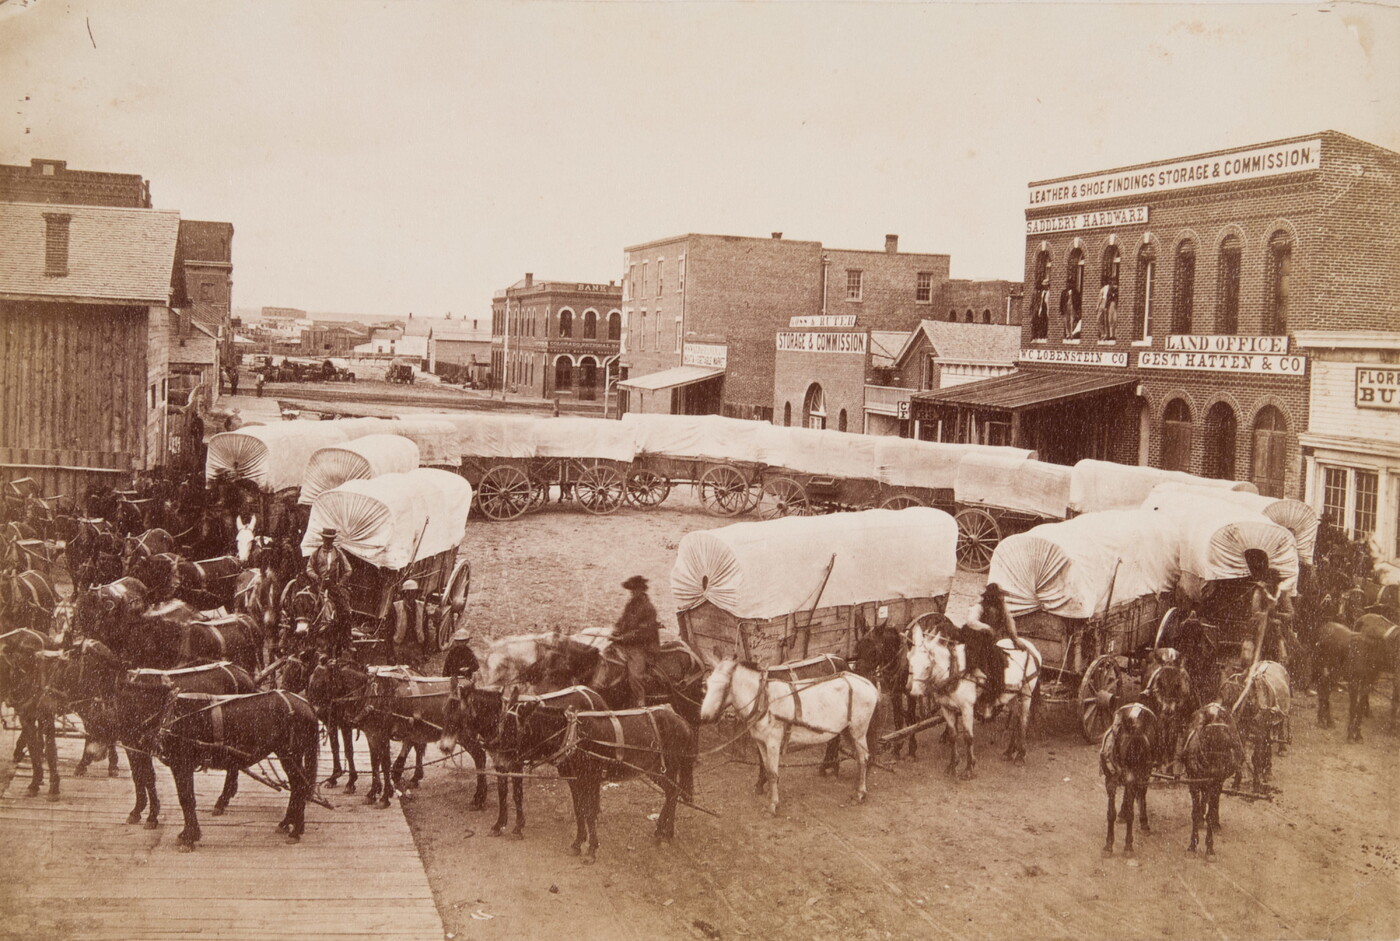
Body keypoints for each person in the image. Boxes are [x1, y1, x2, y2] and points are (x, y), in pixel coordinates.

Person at [962, 582, 1025, 720]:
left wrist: (1015, 640)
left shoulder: (1003, 610)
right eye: (999, 596)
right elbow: (971, 621)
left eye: (1001, 597)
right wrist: (986, 628)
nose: (1001, 599)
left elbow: (1010, 625)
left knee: (997, 665)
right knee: (965, 651)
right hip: (974, 638)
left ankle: (989, 700)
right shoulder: (979, 607)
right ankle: (970, 671)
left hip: (989, 643)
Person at [612, 575, 662, 708]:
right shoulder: (630, 604)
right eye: (631, 590)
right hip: (628, 643)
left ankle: (640, 702)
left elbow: (643, 634)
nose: (632, 592)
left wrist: (622, 638)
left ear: (641, 590)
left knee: (635, 674)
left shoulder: (648, 608)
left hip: (643, 647)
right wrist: (615, 631)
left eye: (634, 590)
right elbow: (622, 621)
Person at [306, 528, 354, 652]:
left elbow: (349, 570)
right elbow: (309, 569)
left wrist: (340, 583)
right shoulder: (316, 553)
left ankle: (347, 640)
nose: (328, 542)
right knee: (305, 605)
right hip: (318, 586)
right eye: (326, 539)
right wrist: (316, 577)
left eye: (330, 539)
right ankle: (304, 635)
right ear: (322, 538)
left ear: (333, 540)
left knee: (345, 609)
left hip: (333, 586)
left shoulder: (338, 553)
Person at [391, 579, 428, 664]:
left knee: (416, 672)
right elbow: (389, 631)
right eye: (409, 593)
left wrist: (425, 651)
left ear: (416, 594)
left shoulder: (421, 607)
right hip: (400, 645)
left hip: (416, 645)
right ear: (404, 594)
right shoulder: (396, 607)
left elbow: (425, 630)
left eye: (413, 593)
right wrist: (390, 654)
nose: (411, 595)